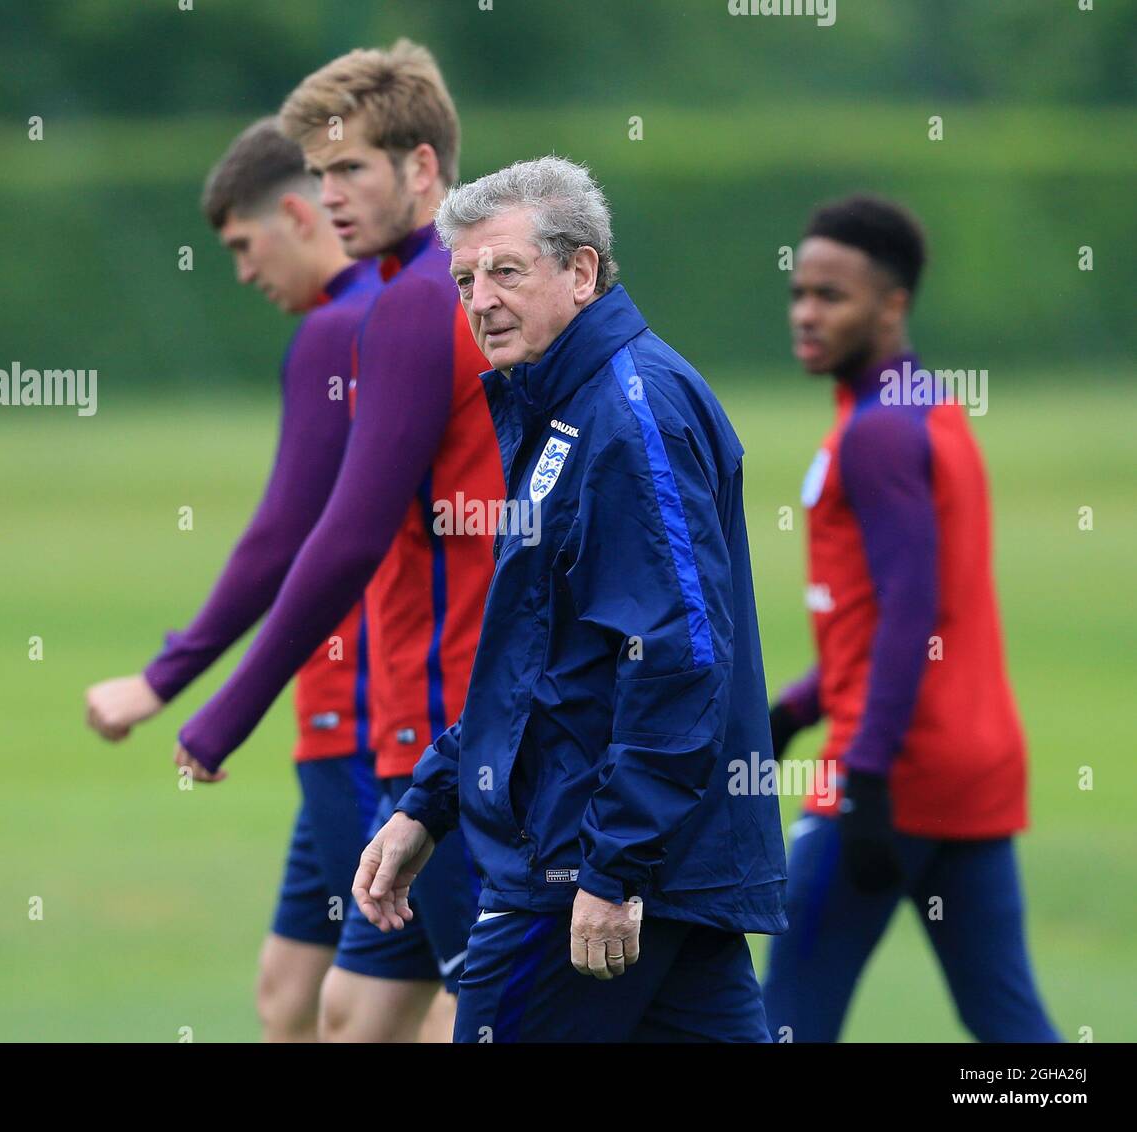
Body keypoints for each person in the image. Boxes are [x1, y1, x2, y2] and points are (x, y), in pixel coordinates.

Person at [357, 156, 788, 1043]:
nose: (480, 301)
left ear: (581, 271)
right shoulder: (564, 406)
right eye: (466, 279)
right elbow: (539, 659)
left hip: (581, 873)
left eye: (507, 272)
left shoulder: (629, 414)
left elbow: (678, 655)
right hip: (637, 868)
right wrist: (430, 800)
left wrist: (614, 867)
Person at [174, 41, 504, 1043]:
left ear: (421, 168)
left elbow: (346, 534)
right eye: (318, 175)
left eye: (350, 169)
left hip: (451, 730)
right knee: (350, 1015)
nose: (328, 197)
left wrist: (222, 710)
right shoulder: (480, 281)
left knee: (493, 1017)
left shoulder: (415, 302)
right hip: (458, 723)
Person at [83, 117, 380, 1042]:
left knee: (385, 1006)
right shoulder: (409, 303)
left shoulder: (345, 326)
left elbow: (283, 537)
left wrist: (162, 678)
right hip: (362, 704)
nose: (244, 273)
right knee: (290, 998)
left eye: (244, 247)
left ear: (298, 214)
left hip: (368, 708)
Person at [762, 194, 1059, 1042]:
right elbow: (898, 607)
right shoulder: (926, 408)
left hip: (893, 770)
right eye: (799, 293)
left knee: (784, 1018)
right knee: (1009, 1023)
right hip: (975, 767)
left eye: (832, 297)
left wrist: (863, 775)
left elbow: (910, 611)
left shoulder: (877, 434)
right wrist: (796, 706)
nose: (806, 315)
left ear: (892, 305)